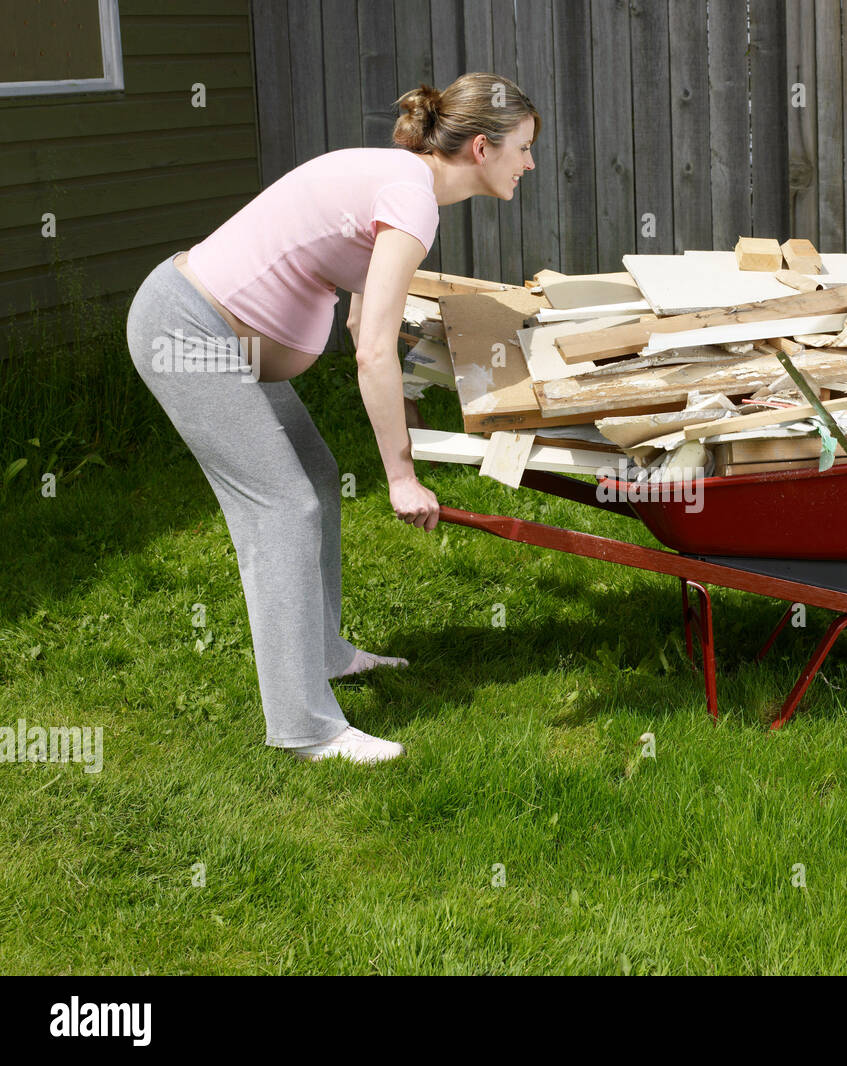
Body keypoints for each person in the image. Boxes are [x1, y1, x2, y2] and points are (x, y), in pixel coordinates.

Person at [125, 73, 539, 764]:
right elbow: (371, 348)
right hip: (189, 334)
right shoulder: (412, 199)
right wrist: (401, 477)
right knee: (283, 509)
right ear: (479, 148)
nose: (528, 164)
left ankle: (324, 652)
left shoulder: (402, 183)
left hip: (214, 335)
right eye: (523, 148)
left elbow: (361, 316)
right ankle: (305, 728)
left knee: (315, 476)